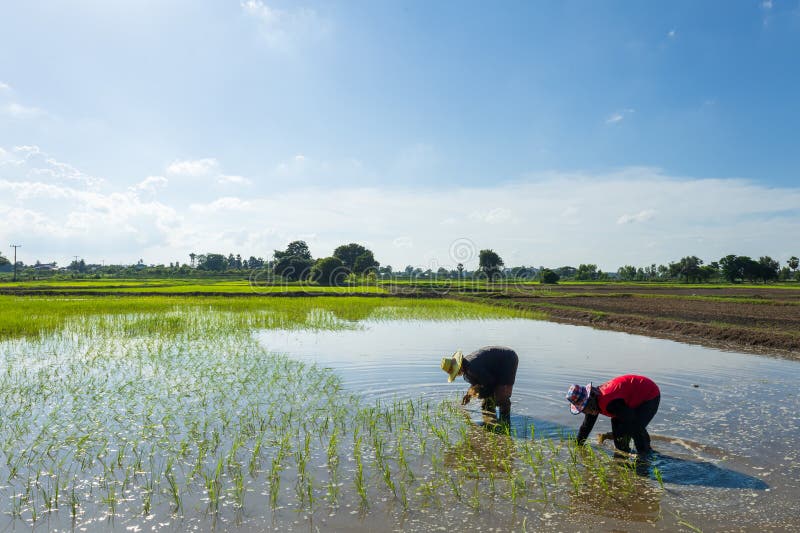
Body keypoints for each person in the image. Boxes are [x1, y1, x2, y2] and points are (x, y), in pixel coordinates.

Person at [565, 374, 660, 456]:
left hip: (648, 395)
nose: (586, 412)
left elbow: (634, 424)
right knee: (619, 436)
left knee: (634, 429)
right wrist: (578, 446)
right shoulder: (592, 405)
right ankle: (624, 454)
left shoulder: (609, 402)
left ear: (591, 398)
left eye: (585, 408)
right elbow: (586, 426)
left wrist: (642, 451)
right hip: (627, 400)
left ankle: (647, 455)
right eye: (583, 410)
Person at [441, 346, 519, 422]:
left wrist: (480, 395)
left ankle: (505, 421)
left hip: (508, 359)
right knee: (486, 405)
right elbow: (478, 383)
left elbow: (490, 383)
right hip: (495, 365)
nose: (457, 374)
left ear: (458, 366)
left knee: (501, 397)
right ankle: (490, 423)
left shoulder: (472, 367)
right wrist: (468, 395)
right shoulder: (467, 366)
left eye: (455, 372)